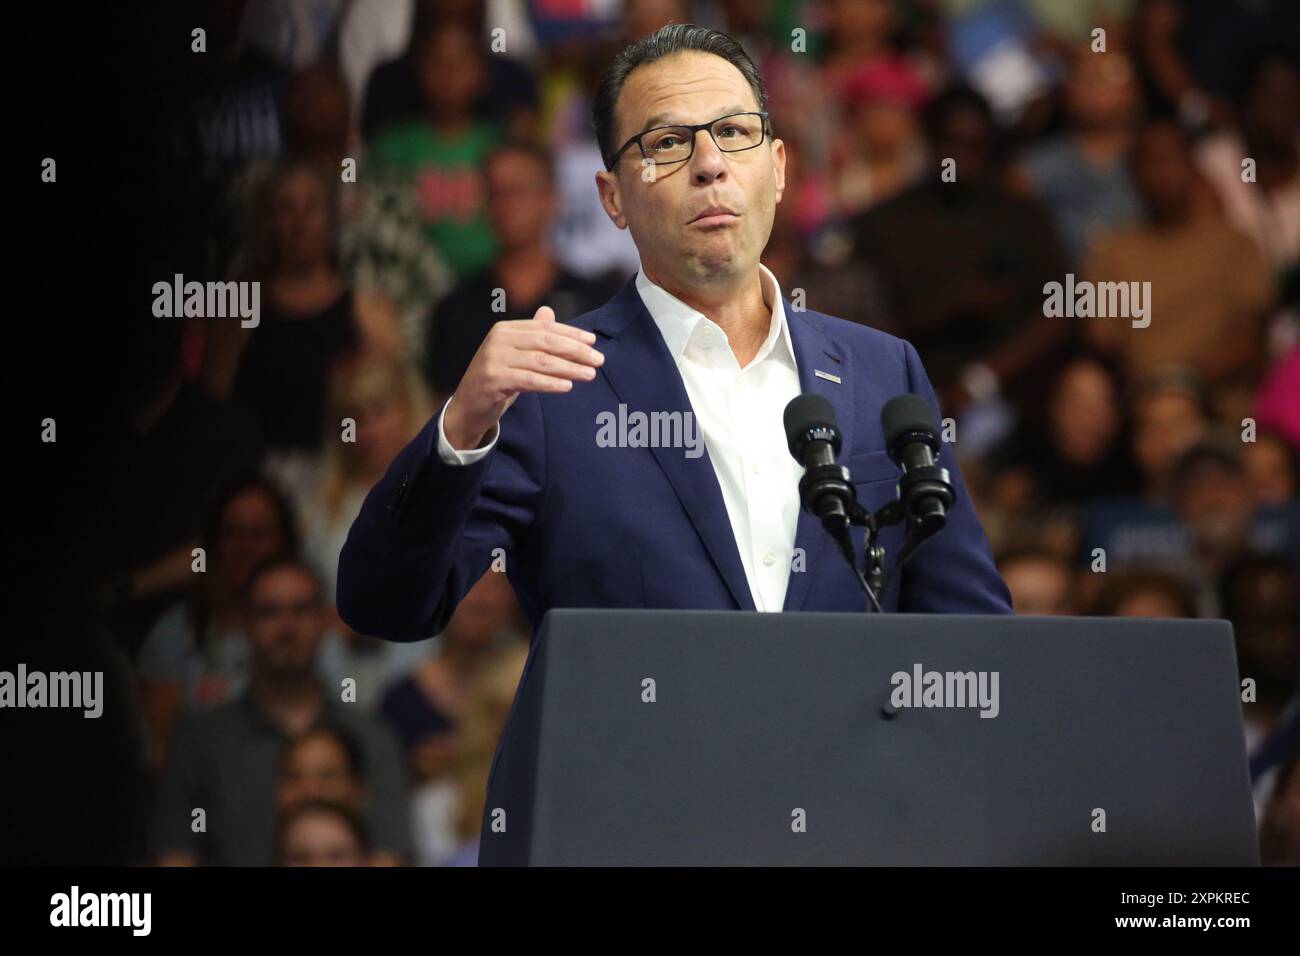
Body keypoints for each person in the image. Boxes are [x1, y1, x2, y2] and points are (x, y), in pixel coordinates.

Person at [337, 23, 1011, 646]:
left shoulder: (882, 371)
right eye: (666, 142)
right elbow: (384, 604)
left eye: (735, 133)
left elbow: (974, 635)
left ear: (778, 168)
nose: (710, 165)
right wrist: (461, 425)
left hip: (847, 776)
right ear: (612, 198)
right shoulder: (552, 388)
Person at [151, 557, 410, 866]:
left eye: (301, 610)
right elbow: (175, 856)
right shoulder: (199, 739)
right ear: (246, 624)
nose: (287, 627)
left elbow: (388, 857)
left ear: (326, 621)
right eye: (269, 612)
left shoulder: (373, 738)